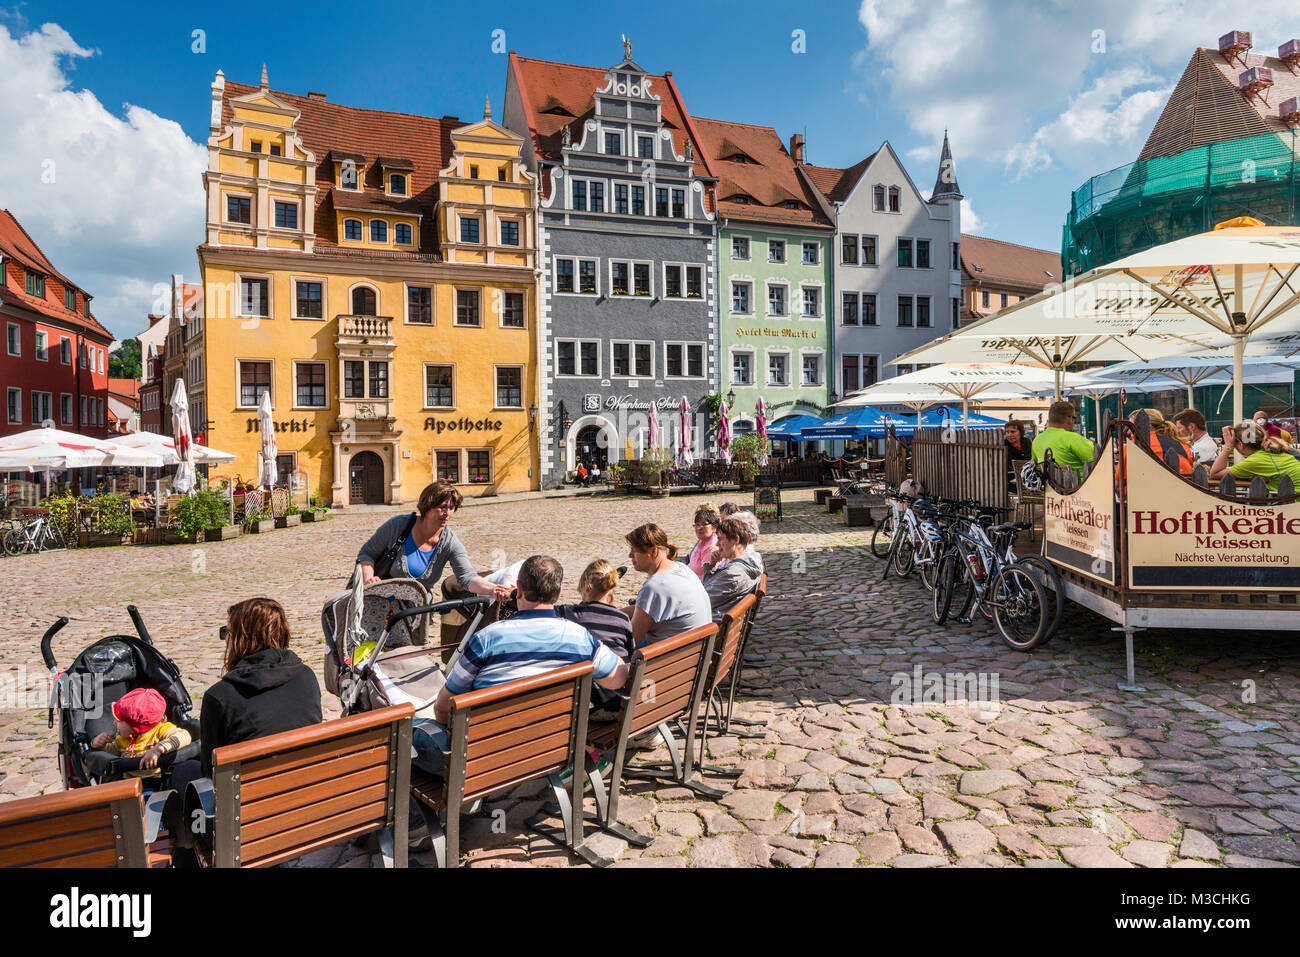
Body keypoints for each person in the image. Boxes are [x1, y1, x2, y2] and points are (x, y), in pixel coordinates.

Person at [356, 480, 510, 601]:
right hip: (381, 602)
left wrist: (493, 589)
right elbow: (366, 554)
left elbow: (467, 577)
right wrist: (369, 579)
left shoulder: (449, 542)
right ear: (427, 505)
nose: (447, 513)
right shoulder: (398, 526)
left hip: (417, 613)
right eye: (442, 507)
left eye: (451, 507)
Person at [555, 559, 634, 711]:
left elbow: (541, 609)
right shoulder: (622, 619)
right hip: (618, 703)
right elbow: (630, 656)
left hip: (588, 705)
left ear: (586, 586)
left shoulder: (568, 613)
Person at [625, 523, 712, 647]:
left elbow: (630, 644)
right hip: (693, 656)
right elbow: (646, 610)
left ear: (653, 552)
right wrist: (614, 614)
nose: (630, 555)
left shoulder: (654, 587)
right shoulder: (681, 568)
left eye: (634, 551)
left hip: (667, 662)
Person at [88, 688, 191, 781]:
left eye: (119, 720)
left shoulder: (160, 730)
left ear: (135, 726)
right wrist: (100, 744)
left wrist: (158, 749)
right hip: (128, 784)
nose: (114, 723)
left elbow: (184, 736)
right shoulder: (122, 739)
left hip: (155, 780)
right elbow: (112, 753)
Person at [701, 518, 764, 622]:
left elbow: (702, 602)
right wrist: (711, 565)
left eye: (720, 539)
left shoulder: (733, 574)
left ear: (736, 540)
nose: (717, 544)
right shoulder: (748, 565)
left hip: (712, 628)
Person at [1210, 420, 1300, 493]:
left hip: (1293, 505)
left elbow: (1215, 473)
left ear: (1240, 444)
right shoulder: (1277, 449)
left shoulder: (1255, 460)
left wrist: (1228, 446)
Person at [1031, 400, 1095, 477]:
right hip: (1080, 487)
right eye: (1074, 418)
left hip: (1049, 487)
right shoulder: (1073, 438)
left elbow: (1035, 465)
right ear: (1069, 419)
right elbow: (1098, 466)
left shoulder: (1037, 440)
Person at [684, 504, 721, 578]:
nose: (699, 528)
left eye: (704, 524)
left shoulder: (712, 547)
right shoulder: (702, 542)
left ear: (714, 527)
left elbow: (708, 578)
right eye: (697, 525)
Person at [1004, 420, 1031, 490]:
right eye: (1007, 432)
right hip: (1009, 481)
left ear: (1021, 432)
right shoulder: (1003, 445)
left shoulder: (1027, 442)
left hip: (1027, 478)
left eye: (1013, 432)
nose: (1009, 435)